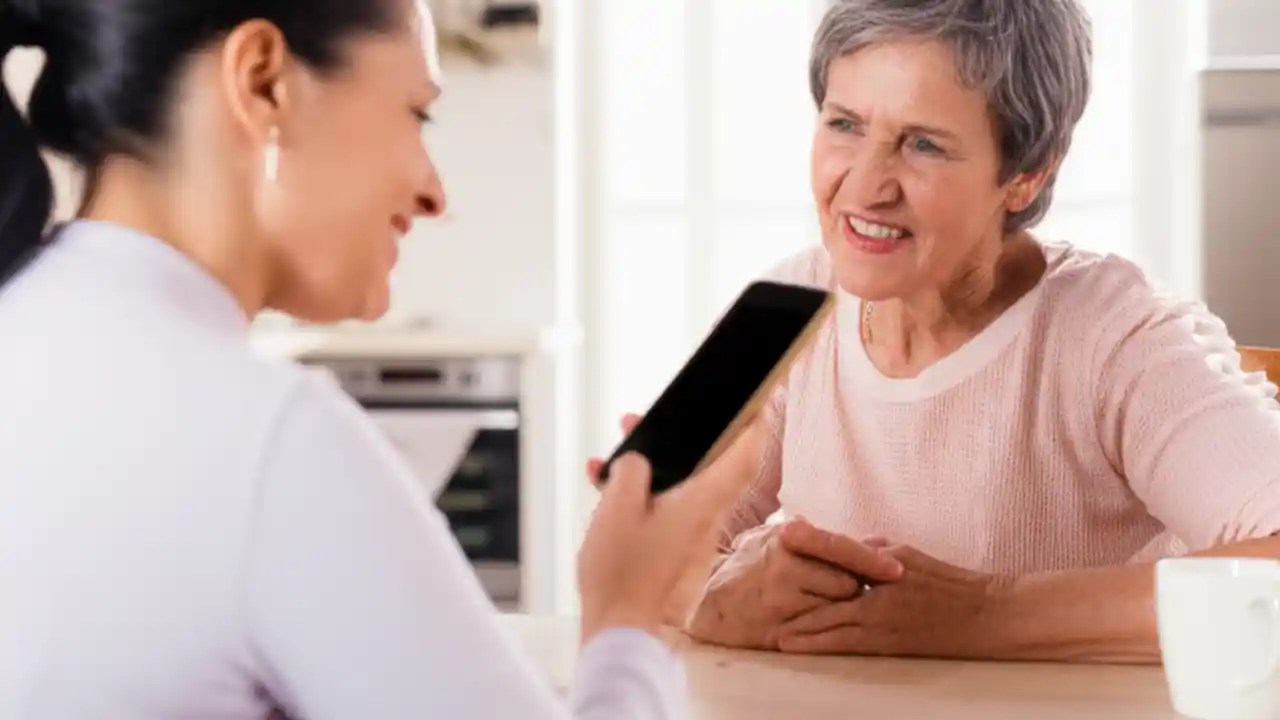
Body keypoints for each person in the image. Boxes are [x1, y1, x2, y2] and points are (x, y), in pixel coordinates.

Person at [0, 0, 763, 717]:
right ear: (263, 80)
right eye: (416, 112)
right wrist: (635, 611)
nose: (435, 192)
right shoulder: (270, 438)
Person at [637, 0, 1280, 663]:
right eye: (846, 124)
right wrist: (711, 594)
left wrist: (986, 612)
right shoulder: (781, 310)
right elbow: (626, 537)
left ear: (1027, 174)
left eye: (923, 144)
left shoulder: (1118, 336)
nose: (865, 185)